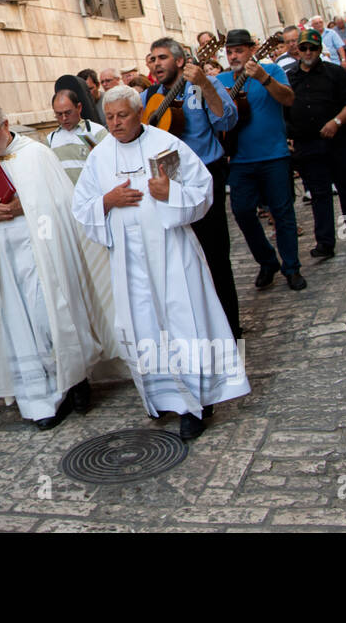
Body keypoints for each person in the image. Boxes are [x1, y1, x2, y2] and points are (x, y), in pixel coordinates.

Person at [73, 87, 251, 441]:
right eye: (109, 117)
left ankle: (197, 402)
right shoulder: (100, 156)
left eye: (122, 115)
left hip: (172, 254)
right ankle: (164, 395)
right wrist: (107, 201)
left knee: (184, 323)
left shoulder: (166, 146)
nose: (115, 123)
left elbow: (203, 191)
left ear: (138, 112)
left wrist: (170, 194)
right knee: (144, 326)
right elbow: (81, 206)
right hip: (129, 261)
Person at [0, 105, 108, 429]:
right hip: (5, 262)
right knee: (21, 329)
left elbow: (61, 201)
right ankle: (40, 400)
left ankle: (76, 381)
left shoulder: (37, 154)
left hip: (44, 254)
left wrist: (24, 205)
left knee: (52, 318)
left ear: (6, 125)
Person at [142, 37, 242, 338]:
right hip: (169, 180)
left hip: (203, 177)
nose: (156, 63)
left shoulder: (204, 84)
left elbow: (227, 120)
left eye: (162, 58)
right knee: (181, 256)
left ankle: (230, 328)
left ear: (181, 61)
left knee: (215, 254)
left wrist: (207, 85)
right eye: (152, 58)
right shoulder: (150, 96)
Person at [216, 30, 306, 291]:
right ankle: (267, 260)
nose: (233, 56)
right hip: (239, 159)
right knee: (242, 211)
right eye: (230, 52)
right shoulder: (221, 80)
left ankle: (292, 267)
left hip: (273, 155)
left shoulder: (272, 70)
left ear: (253, 49)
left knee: (283, 212)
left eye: (239, 51)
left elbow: (288, 99)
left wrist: (264, 78)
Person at [285, 29, 346, 258]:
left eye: (313, 48)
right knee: (319, 194)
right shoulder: (290, 77)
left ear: (320, 49)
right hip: (308, 145)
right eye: (304, 48)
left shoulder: (335, 73)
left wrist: (337, 121)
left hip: (339, 141)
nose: (308, 52)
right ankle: (325, 242)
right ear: (297, 51)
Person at [48, 88, 110, 184]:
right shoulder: (51, 139)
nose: (64, 118)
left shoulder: (94, 132)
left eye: (68, 113)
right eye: (59, 114)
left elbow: (108, 163)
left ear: (79, 107)